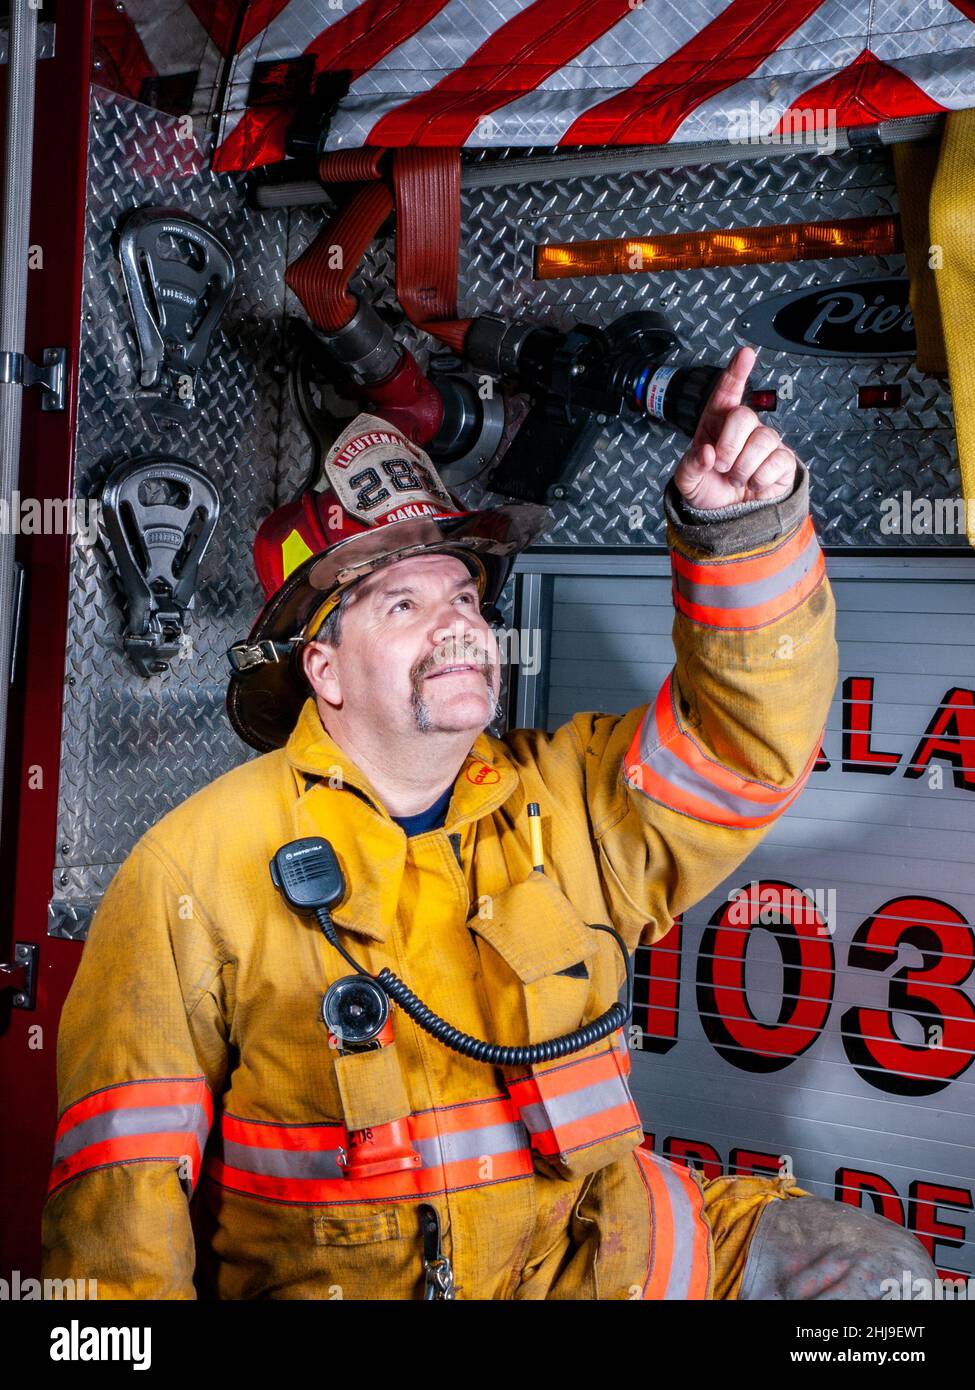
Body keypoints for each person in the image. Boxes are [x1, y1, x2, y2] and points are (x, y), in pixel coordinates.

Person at [41, 347, 936, 1299]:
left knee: (882, 1288)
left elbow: (743, 745)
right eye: (404, 603)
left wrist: (739, 532)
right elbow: (120, 1207)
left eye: (464, 595)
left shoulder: (567, 800)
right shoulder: (192, 870)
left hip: (610, 1265)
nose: (461, 622)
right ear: (324, 669)